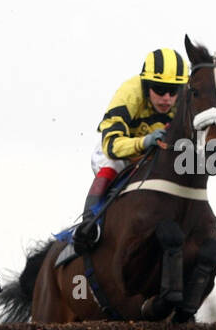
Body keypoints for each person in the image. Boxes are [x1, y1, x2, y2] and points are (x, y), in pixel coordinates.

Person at [72, 47, 188, 251]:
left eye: (173, 90)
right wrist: (143, 142)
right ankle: (89, 224)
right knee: (111, 162)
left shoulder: (185, 98)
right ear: (146, 85)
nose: (167, 98)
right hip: (122, 150)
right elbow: (111, 144)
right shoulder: (129, 93)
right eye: (160, 89)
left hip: (159, 155)